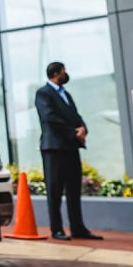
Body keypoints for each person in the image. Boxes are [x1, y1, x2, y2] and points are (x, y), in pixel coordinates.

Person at [35, 61, 103, 241]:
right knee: (55, 189)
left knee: (74, 189)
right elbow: (49, 118)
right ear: (57, 73)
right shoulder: (43, 93)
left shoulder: (67, 94)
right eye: (64, 72)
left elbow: (76, 115)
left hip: (71, 147)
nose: (66, 75)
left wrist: (83, 128)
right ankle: (57, 229)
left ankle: (78, 227)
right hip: (54, 148)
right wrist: (73, 132)